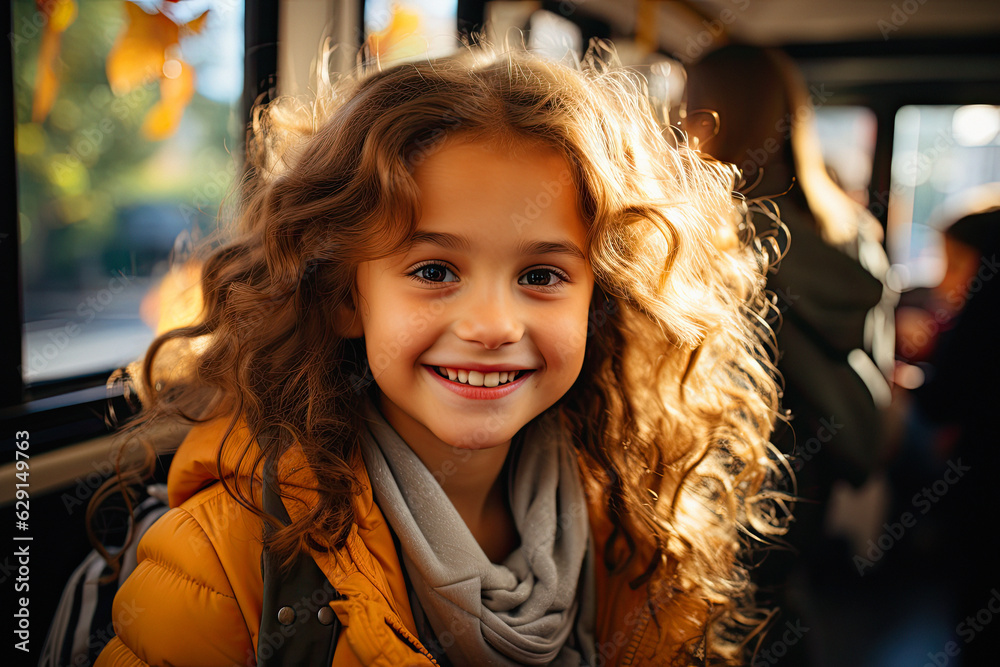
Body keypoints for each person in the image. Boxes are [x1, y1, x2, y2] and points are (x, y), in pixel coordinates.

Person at [93, 45, 784, 666]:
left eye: (541, 276)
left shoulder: (632, 531)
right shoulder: (222, 560)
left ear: (600, 305)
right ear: (345, 298)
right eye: (433, 271)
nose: (491, 325)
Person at [684, 44, 896, 662]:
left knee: (716, 620)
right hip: (816, 468)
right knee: (777, 606)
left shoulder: (703, 232)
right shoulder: (851, 232)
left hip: (723, 469)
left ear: (703, 111)